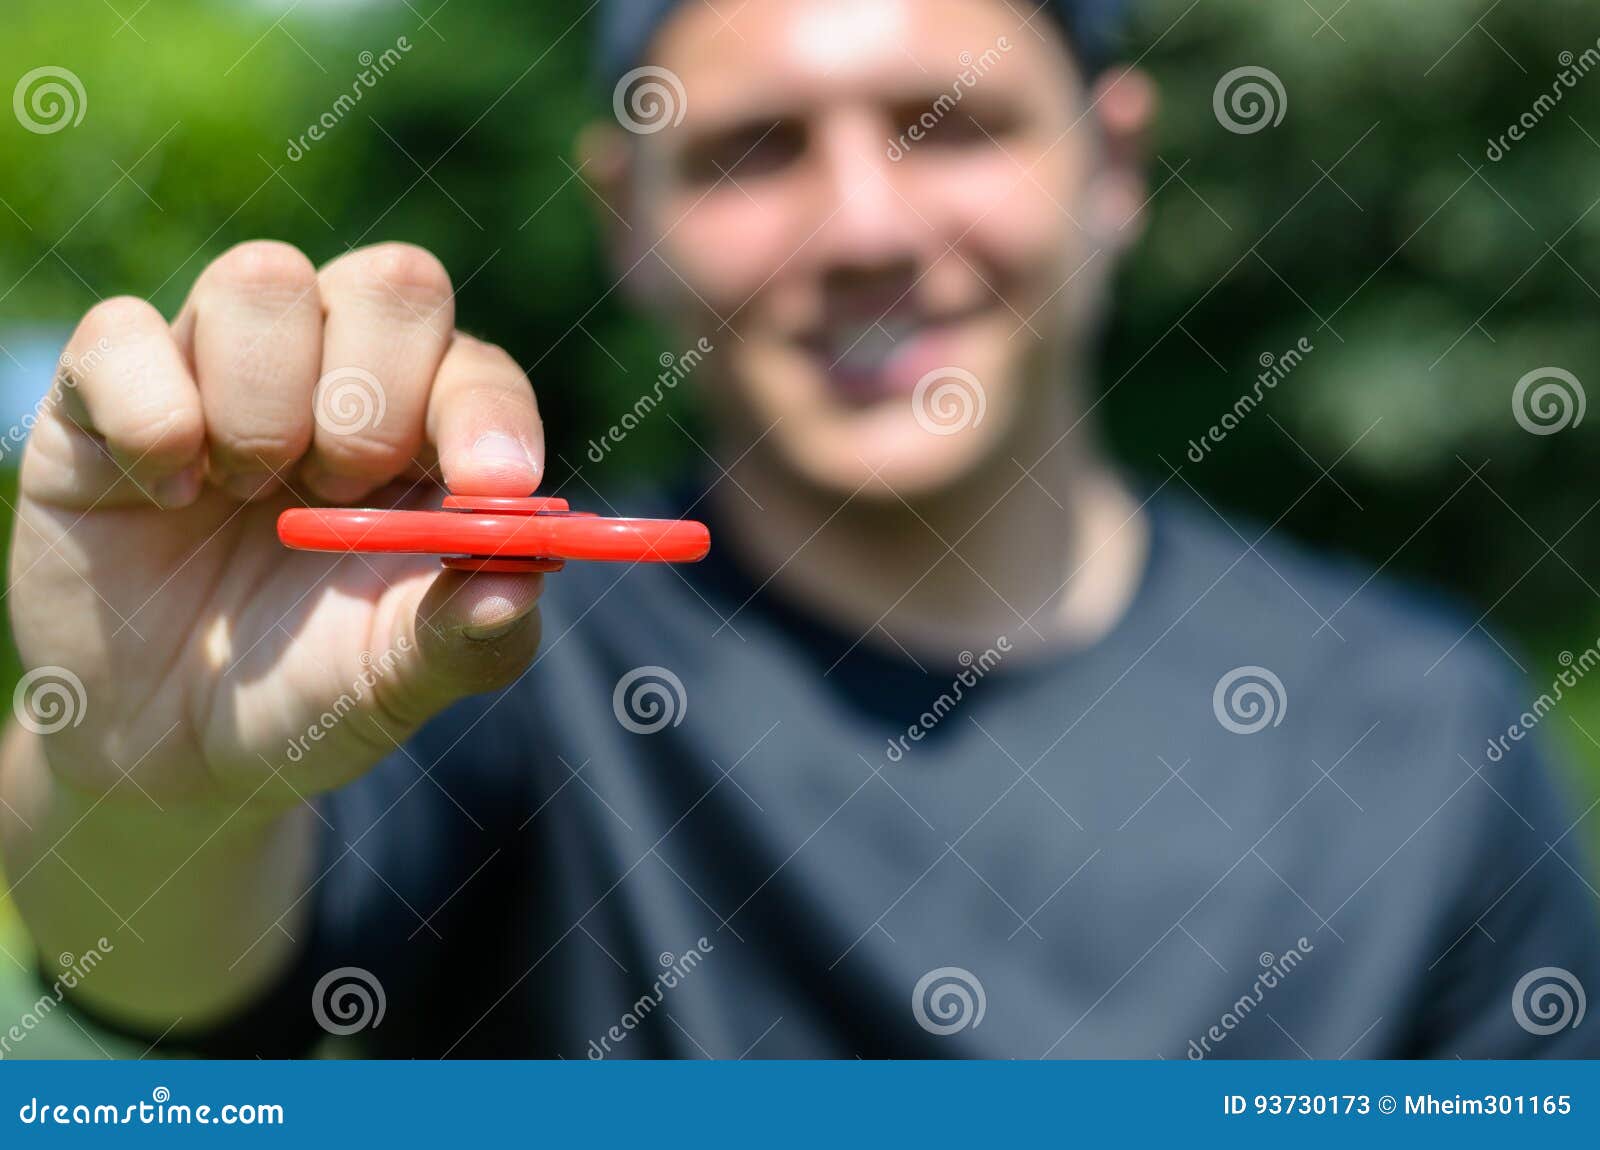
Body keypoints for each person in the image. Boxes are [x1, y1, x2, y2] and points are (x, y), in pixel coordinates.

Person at [2, 0, 1597, 1059]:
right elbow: (160, 958)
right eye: (754, 151)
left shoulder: (1421, 730)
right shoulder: (484, 649)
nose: (864, 228)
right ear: (626, 218)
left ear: (1110, 165)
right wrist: (139, 773)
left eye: (954, 124)